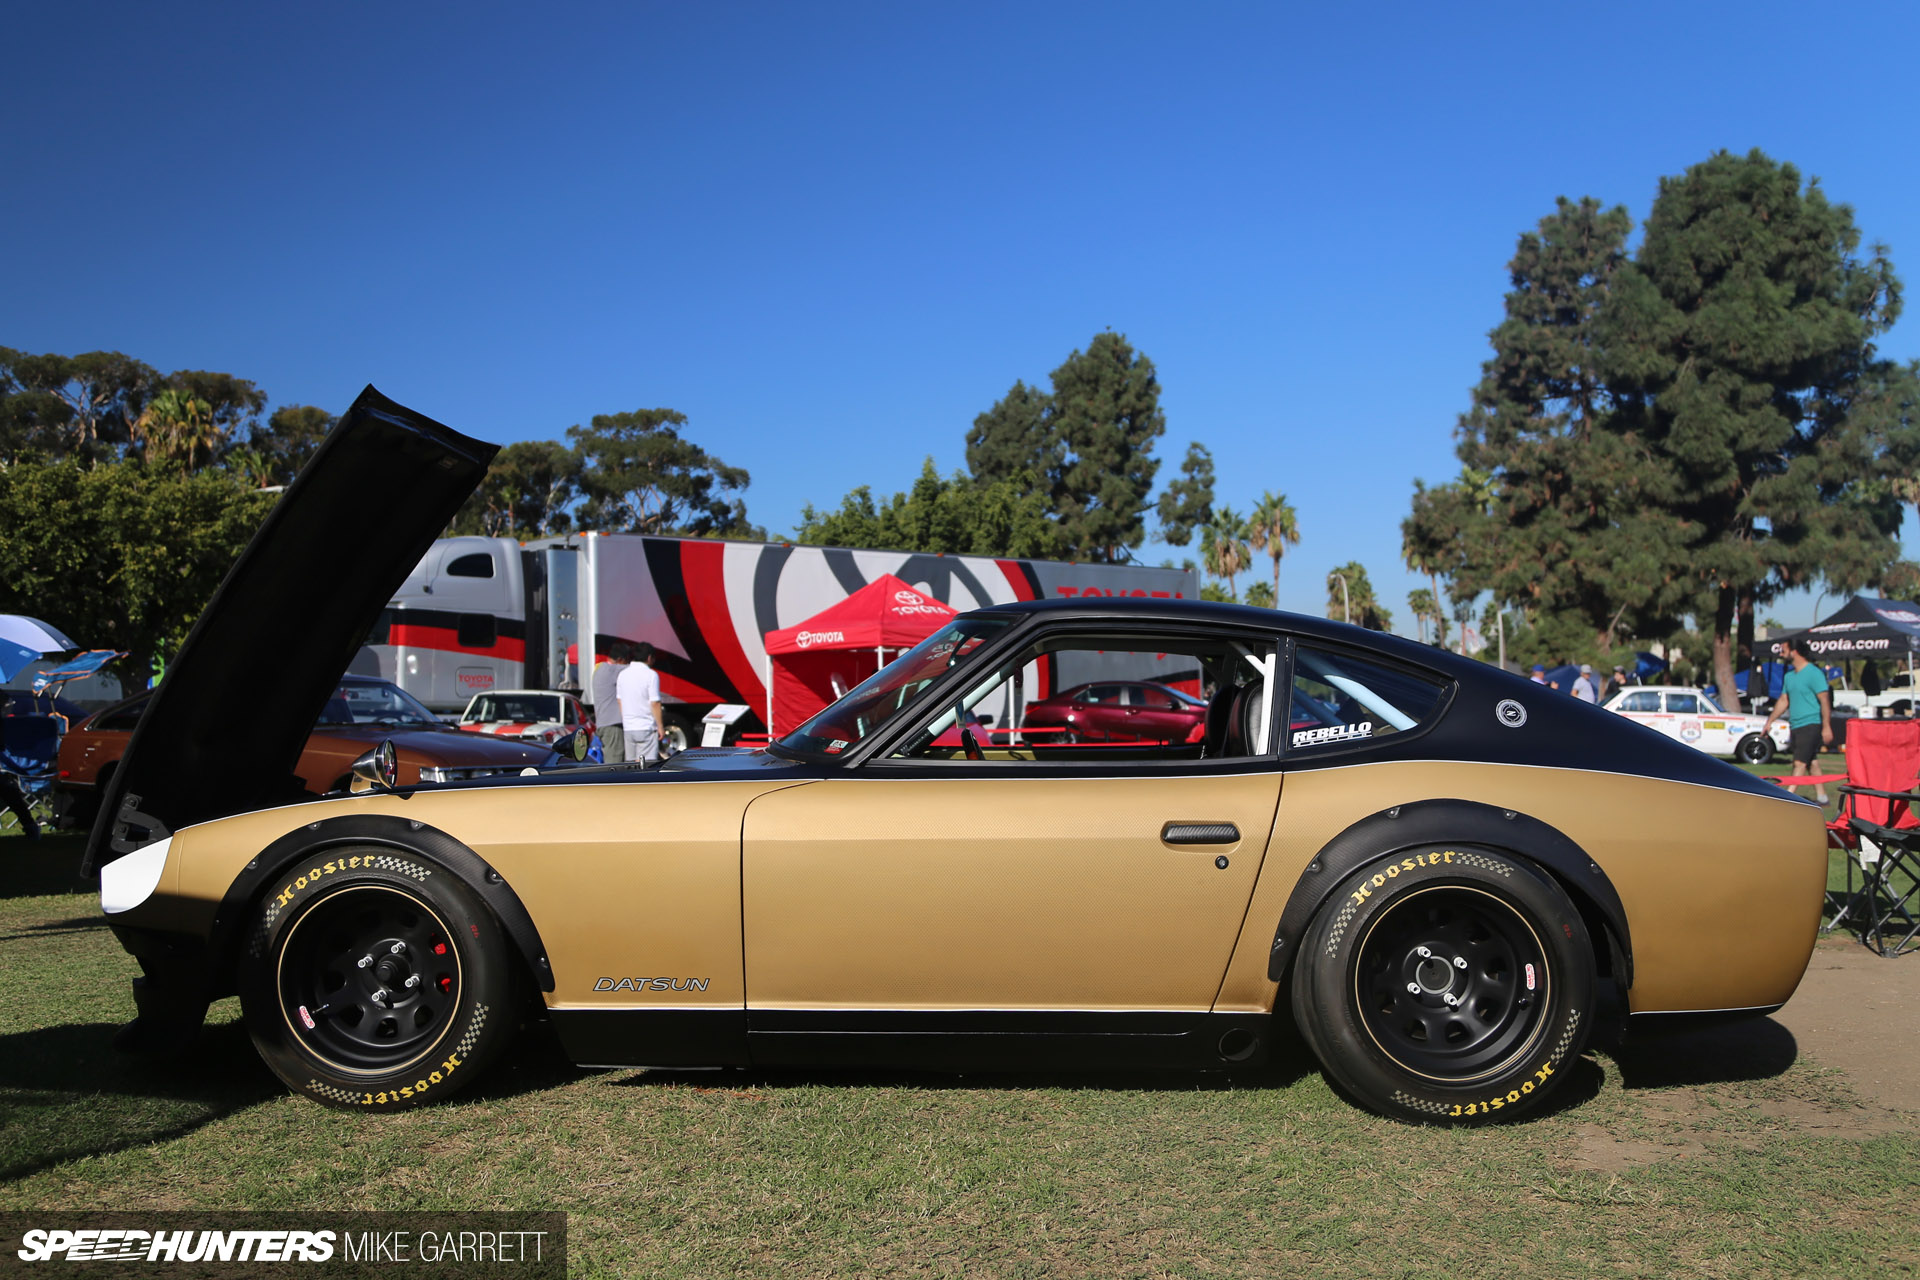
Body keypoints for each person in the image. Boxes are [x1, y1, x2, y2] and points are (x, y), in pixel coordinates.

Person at [1763, 638, 1835, 804]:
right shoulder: (1789, 676)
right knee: (1812, 762)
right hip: (1795, 724)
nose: (1781, 654)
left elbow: (1825, 701)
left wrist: (1826, 727)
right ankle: (1822, 797)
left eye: (1783, 650)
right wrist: (1770, 722)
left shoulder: (1814, 673)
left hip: (1811, 724)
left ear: (1794, 651)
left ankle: (1788, 797)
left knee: (1799, 762)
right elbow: (1783, 700)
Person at [616, 641, 666, 763]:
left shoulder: (622, 674)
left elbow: (619, 700)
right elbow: (654, 703)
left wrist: (626, 720)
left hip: (628, 728)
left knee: (630, 767)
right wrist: (660, 726)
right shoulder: (651, 675)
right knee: (647, 768)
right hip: (646, 727)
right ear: (649, 657)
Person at [590, 641, 629, 765]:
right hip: (612, 726)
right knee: (615, 765)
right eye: (626, 660)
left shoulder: (600, 668)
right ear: (620, 660)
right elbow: (634, 669)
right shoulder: (611, 670)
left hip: (604, 724)